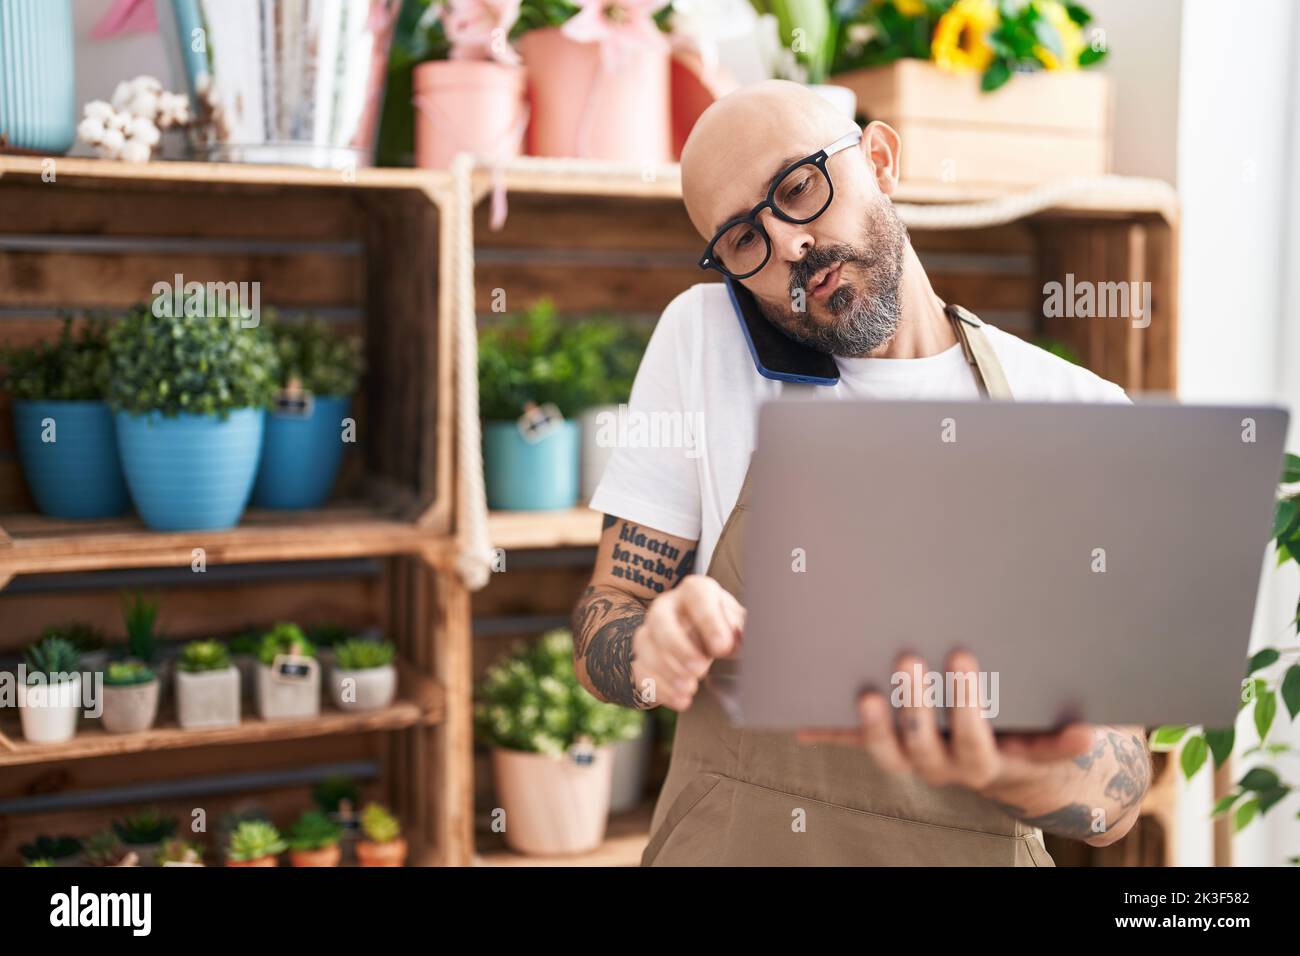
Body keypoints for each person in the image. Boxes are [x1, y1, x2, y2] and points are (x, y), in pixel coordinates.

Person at [572, 80, 1151, 866]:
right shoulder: (706, 344)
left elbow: (1116, 798)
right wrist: (648, 653)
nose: (785, 245)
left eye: (799, 187)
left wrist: (1006, 756)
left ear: (880, 160)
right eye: (743, 238)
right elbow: (608, 615)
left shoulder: (1078, 412)